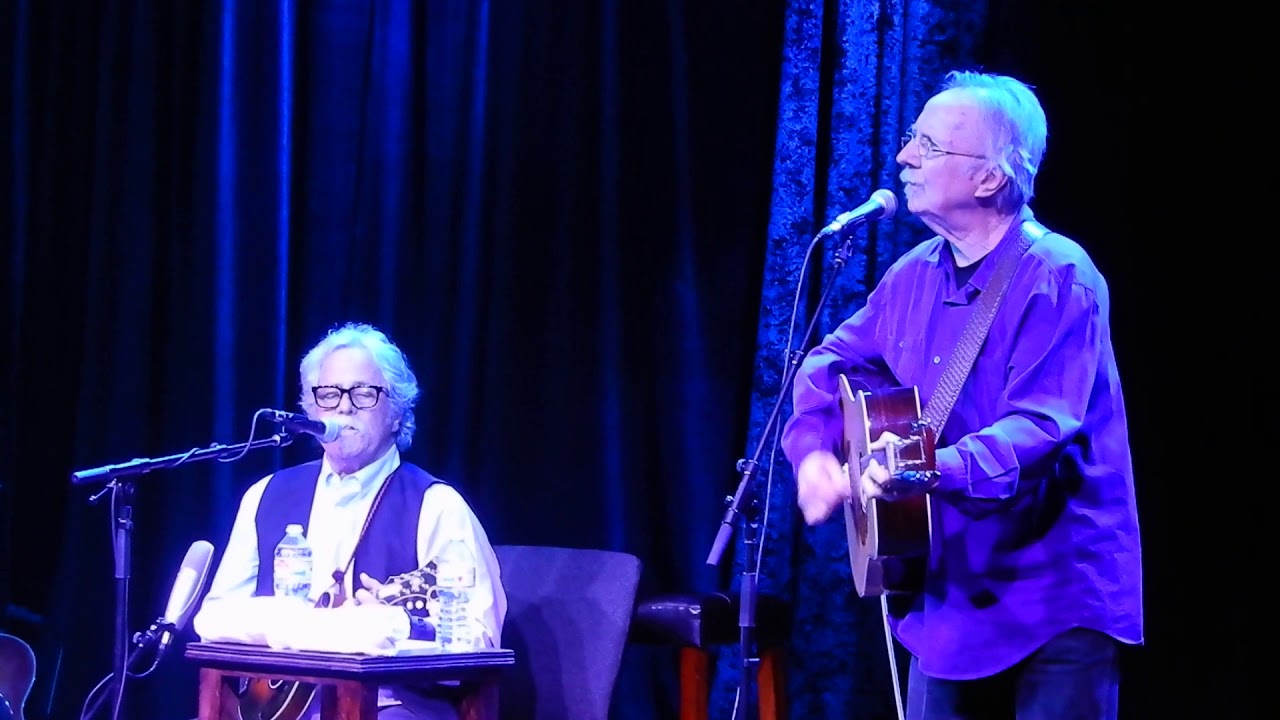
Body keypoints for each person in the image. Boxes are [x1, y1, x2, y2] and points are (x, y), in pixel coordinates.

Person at [781, 70, 1143, 719]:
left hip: (1054, 602)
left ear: (990, 178)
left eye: (928, 145)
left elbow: (1038, 429)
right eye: (910, 138)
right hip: (949, 599)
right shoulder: (911, 276)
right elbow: (826, 364)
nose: (903, 157)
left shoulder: (1059, 276)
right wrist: (812, 453)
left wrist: (919, 468)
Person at [193, 322, 506, 719]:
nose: (344, 407)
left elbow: (479, 639)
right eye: (329, 394)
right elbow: (216, 617)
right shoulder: (265, 495)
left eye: (363, 393)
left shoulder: (438, 506)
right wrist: (305, 628)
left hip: (394, 707)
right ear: (311, 411)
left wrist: (404, 625)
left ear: (396, 414)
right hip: (275, 708)